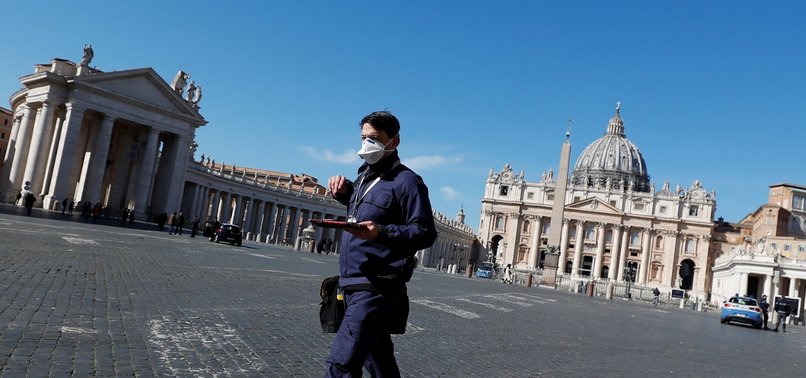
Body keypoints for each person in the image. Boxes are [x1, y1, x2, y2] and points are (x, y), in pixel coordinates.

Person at [324, 110, 437, 377]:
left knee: (340, 365)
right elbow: (364, 214)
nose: (366, 145)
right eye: (363, 137)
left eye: (374, 138)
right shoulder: (363, 177)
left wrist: (381, 232)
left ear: (394, 141)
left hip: (376, 286)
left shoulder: (409, 183)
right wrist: (344, 193)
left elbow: (425, 232)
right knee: (379, 361)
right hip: (351, 280)